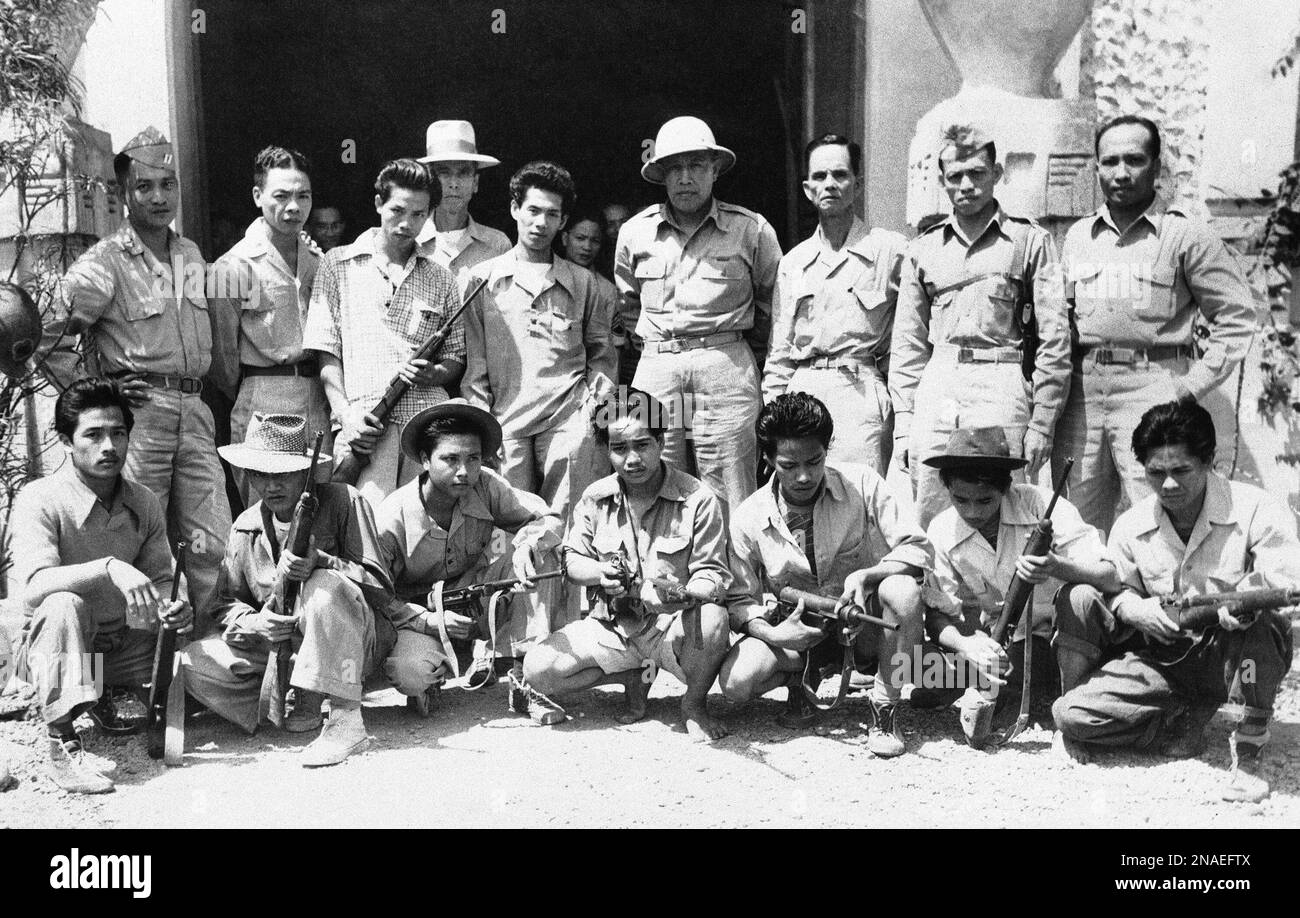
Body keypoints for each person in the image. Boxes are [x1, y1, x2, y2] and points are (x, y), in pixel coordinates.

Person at [1053, 398, 1298, 803]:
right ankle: (1176, 720)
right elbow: (1116, 587)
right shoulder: (1133, 524)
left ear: (1208, 461)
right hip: (1167, 662)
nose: (1168, 485)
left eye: (1181, 470)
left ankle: (1249, 750)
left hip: (1235, 656)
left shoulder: (1254, 507)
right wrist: (1138, 610)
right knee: (1073, 717)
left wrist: (1242, 601)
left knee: (1263, 623)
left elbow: (1284, 573)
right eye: (1156, 473)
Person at [44, 126, 231, 623]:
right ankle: (142, 664)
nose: (158, 197)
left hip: (193, 411)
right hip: (141, 417)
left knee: (211, 537)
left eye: (167, 185)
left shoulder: (189, 254)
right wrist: (96, 396)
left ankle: (204, 652)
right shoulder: (105, 263)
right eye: (145, 186)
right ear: (124, 192)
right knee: (138, 540)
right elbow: (50, 336)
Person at [1054, 116, 1256, 534]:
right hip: (1083, 394)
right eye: (1110, 162)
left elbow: (1237, 318)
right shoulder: (1077, 237)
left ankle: (1159, 600)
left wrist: (1187, 386)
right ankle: (1080, 601)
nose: (1121, 173)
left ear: (1157, 167)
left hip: (1154, 385)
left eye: (1135, 160)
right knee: (1074, 519)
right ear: (1096, 168)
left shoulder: (1185, 235)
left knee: (1156, 514)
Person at [6, 378, 193, 793]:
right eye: (93, 434)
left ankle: (98, 694)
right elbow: (34, 588)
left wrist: (173, 605)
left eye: (119, 433)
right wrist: (108, 566)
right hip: (52, 649)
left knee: (206, 671)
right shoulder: (40, 498)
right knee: (62, 605)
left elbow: (161, 577)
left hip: (121, 646)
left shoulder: (142, 500)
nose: (109, 446)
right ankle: (62, 739)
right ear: (66, 442)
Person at [719, 393, 929, 756]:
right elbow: (738, 600)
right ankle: (801, 682)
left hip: (864, 629)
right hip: (798, 634)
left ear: (827, 450)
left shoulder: (862, 483)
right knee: (736, 683)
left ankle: (885, 705)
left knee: (904, 591)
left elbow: (918, 549)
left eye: (814, 461)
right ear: (767, 460)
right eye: (788, 465)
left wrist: (868, 576)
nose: (803, 475)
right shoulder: (748, 516)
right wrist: (775, 633)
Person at [185, 413, 398, 766]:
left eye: (283, 474)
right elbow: (224, 605)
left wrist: (325, 563)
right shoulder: (246, 526)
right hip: (281, 651)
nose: (272, 486)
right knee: (192, 662)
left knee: (324, 587)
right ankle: (292, 695)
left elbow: (381, 590)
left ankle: (345, 721)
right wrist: (259, 623)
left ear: (306, 472)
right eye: (261, 475)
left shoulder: (346, 501)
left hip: (351, 647)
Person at [524, 388, 733, 742]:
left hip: (670, 628)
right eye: (619, 449)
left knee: (714, 620)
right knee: (538, 670)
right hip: (612, 626)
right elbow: (572, 559)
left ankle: (694, 705)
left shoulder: (697, 499)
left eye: (643, 445)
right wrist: (598, 573)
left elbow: (712, 575)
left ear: (662, 441)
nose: (632, 459)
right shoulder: (595, 497)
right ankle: (632, 676)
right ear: (607, 450)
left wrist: (677, 595)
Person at [889, 123, 1071, 527]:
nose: (966, 185)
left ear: (997, 174)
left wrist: (1043, 422)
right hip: (941, 379)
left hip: (1001, 377)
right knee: (932, 497)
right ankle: (934, 588)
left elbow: (1055, 338)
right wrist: (904, 425)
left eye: (977, 173)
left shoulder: (1029, 241)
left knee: (1008, 496)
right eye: (955, 176)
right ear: (942, 181)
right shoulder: (923, 248)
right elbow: (907, 346)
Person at [616, 116, 782, 509]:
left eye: (696, 166)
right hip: (657, 365)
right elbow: (628, 302)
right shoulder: (635, 232)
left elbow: (772, 304)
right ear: (661, 175)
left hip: (724, 366)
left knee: (730, 485)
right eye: (675, 168)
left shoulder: (751, 230)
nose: (685, 178)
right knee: (652, 480)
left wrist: (735, 349)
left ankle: (733, 570)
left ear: (714, 171)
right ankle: (661, 571)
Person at [921, 426, 1119, 744]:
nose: (972, 512)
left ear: (1006, 487)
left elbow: (1110, 576)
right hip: (1005, 644)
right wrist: (965, 645)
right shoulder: (942, 529)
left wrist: (1059, 566)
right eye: (960, 500)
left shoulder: (1040, 504)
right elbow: (936, 612)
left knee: (1077, 599)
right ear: (946, 487)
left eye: (985, 501)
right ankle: (1017, 687)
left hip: (1065, 641)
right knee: (910, 669)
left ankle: (1067, 706)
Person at [375, 400, 566, 724]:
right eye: (450, 459)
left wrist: (526, 545)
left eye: (473, 458)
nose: (464, 471)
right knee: (411, 674)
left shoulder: (486, 484)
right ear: (424, 459)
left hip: (476, 599)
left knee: (542, 554)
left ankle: (526, 681)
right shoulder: (391, 517)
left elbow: (547, 518)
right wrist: (429, 622)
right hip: (419, 614)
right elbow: (375, 594)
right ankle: (436, 673)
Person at [302, 158, 465, 506]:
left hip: (427, 430)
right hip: (365, 426)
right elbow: (326, 352)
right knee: (363, 529)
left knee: (423, 532)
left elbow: (455, 357)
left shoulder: (441, 277)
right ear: (378, 204)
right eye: (397, 210)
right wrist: (347, 417)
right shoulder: (337, 264)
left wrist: (434, 373)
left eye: (419, 215)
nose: (407, 224)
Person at [463, 161, 616, 520]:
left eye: (552, 214)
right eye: (532, 210)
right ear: (515, 209)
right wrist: (484, 424)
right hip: (506, 423)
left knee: (572, 526)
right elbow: (475, 364)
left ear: (563, 222)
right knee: (509, 526)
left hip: (568, 421)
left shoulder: (582, 281)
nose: (540, 222)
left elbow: (602, 355)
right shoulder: (482, 280)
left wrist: (594, 412)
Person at [765, 134, 906, 472]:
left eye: (840, 175)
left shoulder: (890, 251)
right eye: (819, 177)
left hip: (860, 391)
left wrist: (903, 415)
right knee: (803, 500)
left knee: (862, 500)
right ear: (807, 189)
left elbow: (909, 344)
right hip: (803, 390)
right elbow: (779, 352)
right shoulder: (794, 262)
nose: (830, 184)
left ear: (857, 185)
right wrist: (772, 417)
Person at [210, 146, 330, 505]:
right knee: (268, 510)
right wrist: (253, 387)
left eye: (303, 196)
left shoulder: (319, 260)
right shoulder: (230, 267)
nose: (294, 207)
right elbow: (222, 357)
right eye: (281, 196)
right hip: (264, 396)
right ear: (258, 196)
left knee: (319, 507)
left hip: (318, 396)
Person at [415, 120, 512, 287]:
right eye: (444, 173)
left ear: (475, 182)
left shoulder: (498, 245)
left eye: (463, 173)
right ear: (430, 180)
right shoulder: (411, 237)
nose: (454, 183)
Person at [560, 208, 626, 382]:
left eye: (594, 241)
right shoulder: (548, 278)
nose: (587, 247)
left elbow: (614, 350)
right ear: (565, 238)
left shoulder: (607, 290)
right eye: (580, 238)